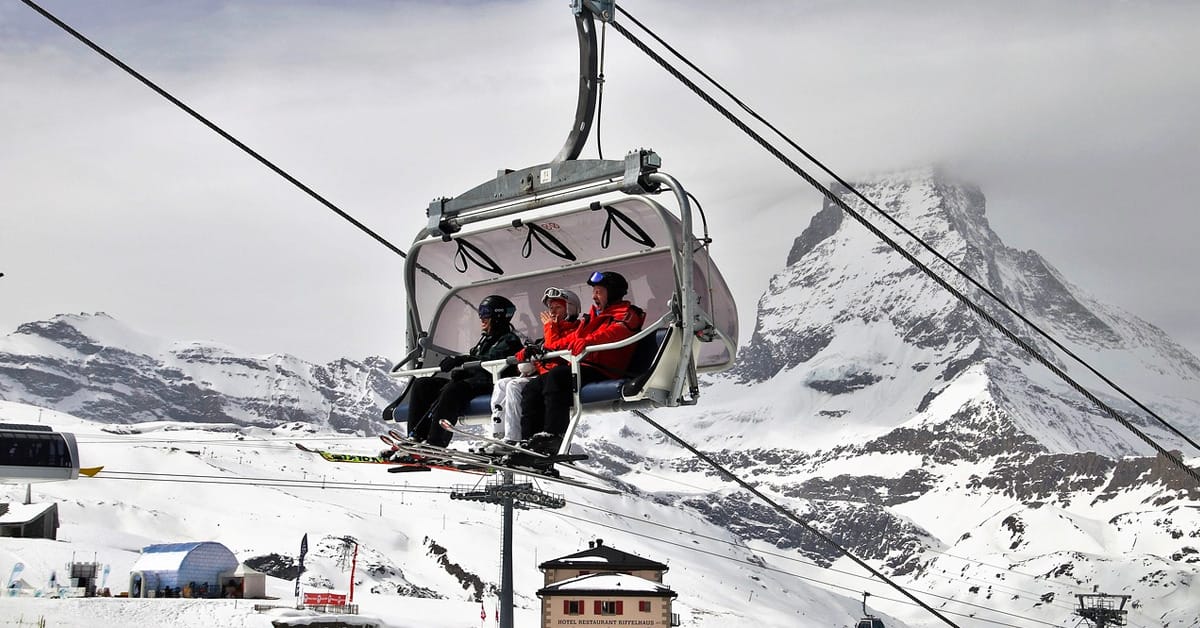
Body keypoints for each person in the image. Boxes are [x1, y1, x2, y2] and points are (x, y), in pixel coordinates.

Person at [517, 271, 645, 457]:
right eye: (594, 292)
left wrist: (588, 341)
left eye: (598, 292)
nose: (594, 296)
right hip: (584, 367)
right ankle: (528, 440)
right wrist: (542, 349)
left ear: (612, 293)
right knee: (533, 387)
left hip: (605, 370)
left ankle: (554, 435)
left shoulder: (628, 314)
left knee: (557, 377)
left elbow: (615, 333)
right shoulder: (592, 317)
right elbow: (570, 341)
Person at [385, 294, 523, 454]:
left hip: (491, 383)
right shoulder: (485, 341)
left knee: (453, 390)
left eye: (485, 314)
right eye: (480, 314)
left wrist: (463, 361)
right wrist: (462, 368)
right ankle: (416, 437)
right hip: (473, 382)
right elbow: (476, 360)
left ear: (498, 317)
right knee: (422, 385)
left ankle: (436, 443)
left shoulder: (509, 340)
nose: (481, 318)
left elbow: (492, 359)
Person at [486, 287, 582, 451]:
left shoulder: (576, 330)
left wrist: (550, 328)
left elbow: (554, 348)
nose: (552, 312)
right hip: (542, 376)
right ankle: (500, 435)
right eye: (550, 308)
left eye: (558, 307)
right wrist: (528, 353)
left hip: (559, 378)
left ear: (571, 309)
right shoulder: (550, 332)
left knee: (514, 386)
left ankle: (513, 439)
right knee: (502, 384)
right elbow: (524, 355)